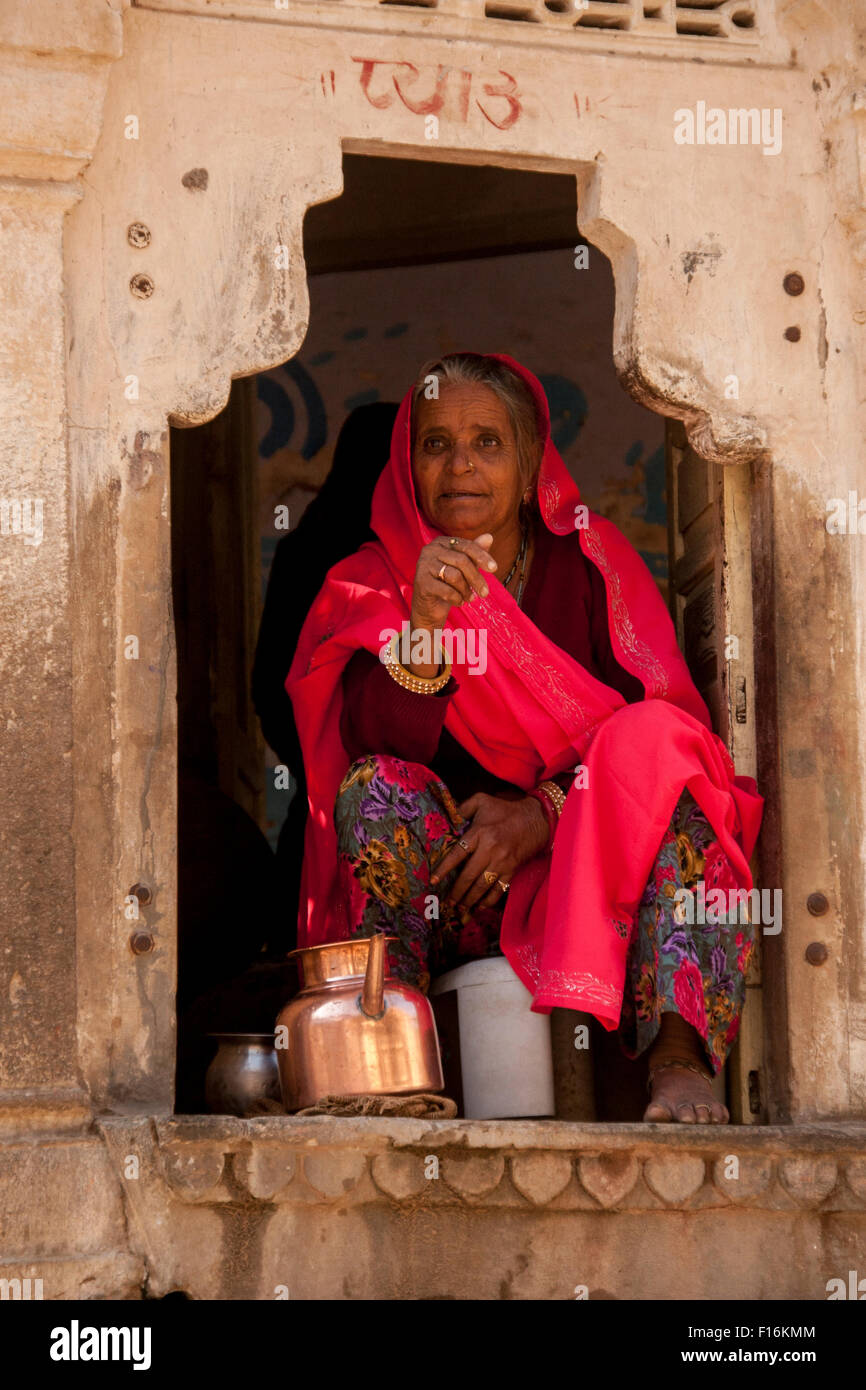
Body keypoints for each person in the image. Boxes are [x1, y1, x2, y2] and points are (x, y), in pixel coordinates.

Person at [286, 353, 763, 1124]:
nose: (461, 465)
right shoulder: (374, 578)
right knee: (375, 789)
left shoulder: (589, 562)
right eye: (436, 444)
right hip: (464, 883)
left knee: (682, 780)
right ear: (408, 466)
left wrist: (542, 814)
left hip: (594, 857)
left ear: (530, 458)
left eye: (487, 442)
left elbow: (669, 731)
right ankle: (392, 1057)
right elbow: (369, 739)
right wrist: (426, 631)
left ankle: (678, 1057)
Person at [252, 401, 398, 953]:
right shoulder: (382, 556)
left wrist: (318, 765)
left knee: (310, 961)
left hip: (317, 792)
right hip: (346, 791)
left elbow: (266, 691)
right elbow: (275, 683)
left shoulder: (301, 548)